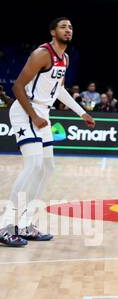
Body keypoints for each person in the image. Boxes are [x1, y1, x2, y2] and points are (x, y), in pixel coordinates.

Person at [2, 18, 96, 246]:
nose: (68, 30)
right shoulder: (41, 54)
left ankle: (25, 224)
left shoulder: (65, 58)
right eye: (63, 26)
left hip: (43, 113)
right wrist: (34, 116)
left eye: (71, 27)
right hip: (26, 111)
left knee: (47, 167)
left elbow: (60, 89)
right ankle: (4, 225)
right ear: (53, 32)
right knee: (33, 165)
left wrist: (81, 113)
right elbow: (16, 87)